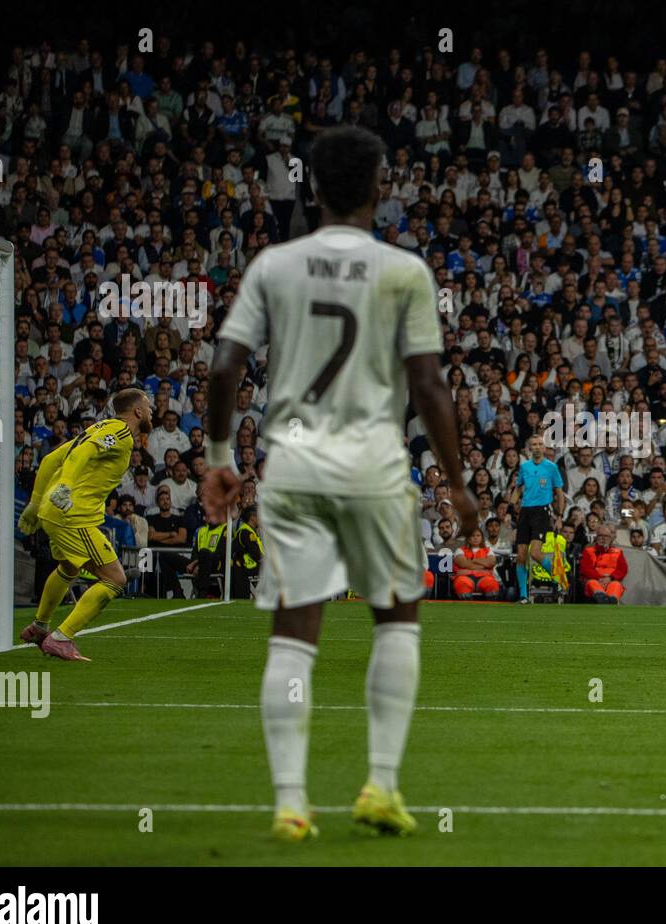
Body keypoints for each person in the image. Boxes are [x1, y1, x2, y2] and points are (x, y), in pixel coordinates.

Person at [199, 126, 476, 843]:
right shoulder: (403, 271)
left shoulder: (275, 264)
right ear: (379, 186)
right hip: (375, 468)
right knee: (396, 618)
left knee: (293, 638)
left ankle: (291, 803)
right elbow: (429, 384)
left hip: (292, 467)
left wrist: (220, 455)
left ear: (313, 188)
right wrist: (457, 482)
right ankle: (381, 785)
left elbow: (226, 365)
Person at [16, 388, 153, 661]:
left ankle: (40, 626)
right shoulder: (121, 433)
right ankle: (61, 638)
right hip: (72, 513)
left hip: (54, 510)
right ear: (137, 411)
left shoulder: (99, 428)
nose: (151, 412)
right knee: (115, 580)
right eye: (148, 407)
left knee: (68, 567)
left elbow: (50, 459)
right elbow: (83, 455)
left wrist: (35, 503)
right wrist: (65, 485)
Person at [512, 434, 565, 602]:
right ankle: (523, 596)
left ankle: (557, 577)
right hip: (525, 512)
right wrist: (510, 506)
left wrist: (560, 516)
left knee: (535, 553)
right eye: (533, 444)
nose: (536, 447)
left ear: (544, 447)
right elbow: (518, 488)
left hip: (542, 512)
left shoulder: (551, 467)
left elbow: (559, 493)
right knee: (521, 555)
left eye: (539, 444)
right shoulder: (524, 467)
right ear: (529, 448)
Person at [579, 524, 629, 603]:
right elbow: (586, 569)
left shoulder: (618, 552)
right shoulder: (588, 551)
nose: (603, 538)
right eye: (601, 535)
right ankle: (604, 600)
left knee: (616, 585)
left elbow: (622, 569)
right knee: (592, 583)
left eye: (606, 536)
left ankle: (610, 601)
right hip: (594, 580)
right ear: (596, 537)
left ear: (611, 538)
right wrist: (600, 578)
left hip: (611, 580)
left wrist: (610, 578)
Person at [452, 527, 501, 599]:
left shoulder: (488, 550)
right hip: (465, 577)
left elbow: (491, 563)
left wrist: (473, 561)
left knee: (491, 585)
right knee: (461, 584)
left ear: (482, 538)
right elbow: (464, 563)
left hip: (484, 577)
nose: (475, 538)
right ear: (468, 538)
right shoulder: (460, 550)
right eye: (472, 536)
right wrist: (484, 566)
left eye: (478, 535)